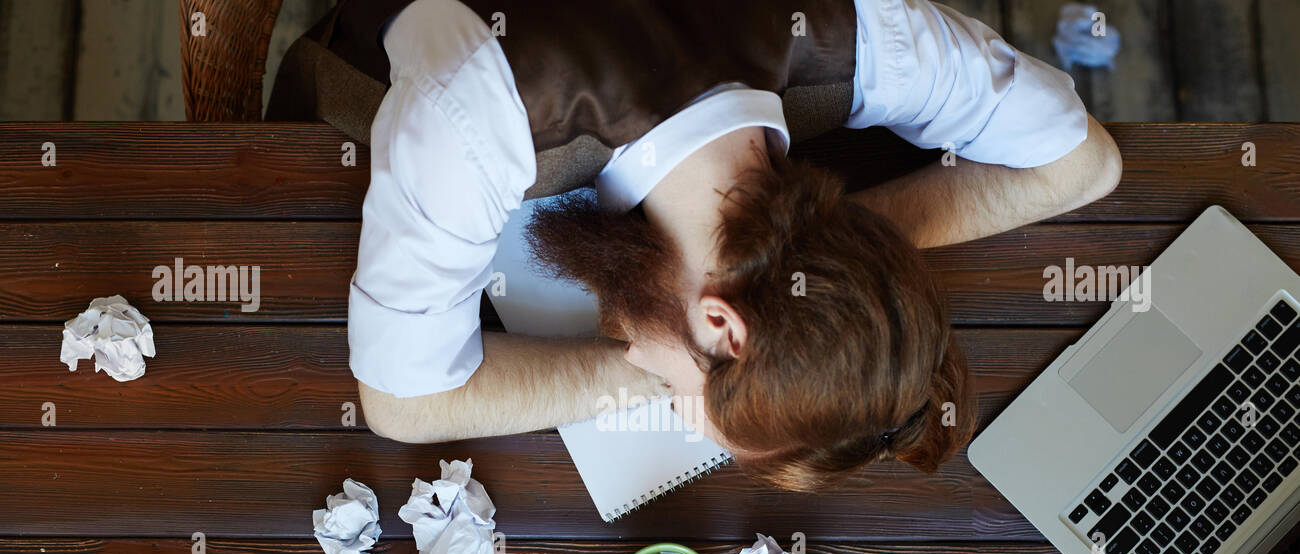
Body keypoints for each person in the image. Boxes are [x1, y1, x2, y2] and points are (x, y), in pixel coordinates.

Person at [284, 0, 1121, 490]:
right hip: (341, 100)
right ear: (721, 324)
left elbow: (1084, 166)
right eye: (690, 406)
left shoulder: (871, 31)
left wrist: (833, 259)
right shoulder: (469, 120)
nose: (666, 400)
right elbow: (402, 404)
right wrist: (636, 373)